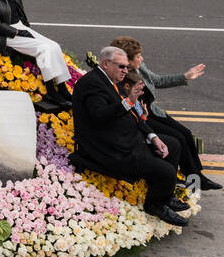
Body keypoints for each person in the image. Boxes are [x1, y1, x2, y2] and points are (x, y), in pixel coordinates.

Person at [69, 46, 187, 227]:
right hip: (110, 147)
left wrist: (153, 137)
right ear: (106, 64)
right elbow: (99, 115)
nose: (126, 70)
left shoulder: (111, 79)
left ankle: (166, 196)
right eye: (121, 66)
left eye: (126, 67)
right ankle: (155, 205)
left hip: (127, 137)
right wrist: (129, 101)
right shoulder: (92, 83)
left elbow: (132, 115)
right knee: (167, 172)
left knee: (173, 144)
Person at [109, 37, 221, 192]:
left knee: (186, 133)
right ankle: (187, 177)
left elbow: (158, 80)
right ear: (126, 60)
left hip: (152, 111)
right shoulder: (121, 75)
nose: (142, 58)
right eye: (138, 57)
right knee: (178, 139)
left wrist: (185, 76)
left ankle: (197, 176)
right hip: (141, 117)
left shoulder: (141, 67)